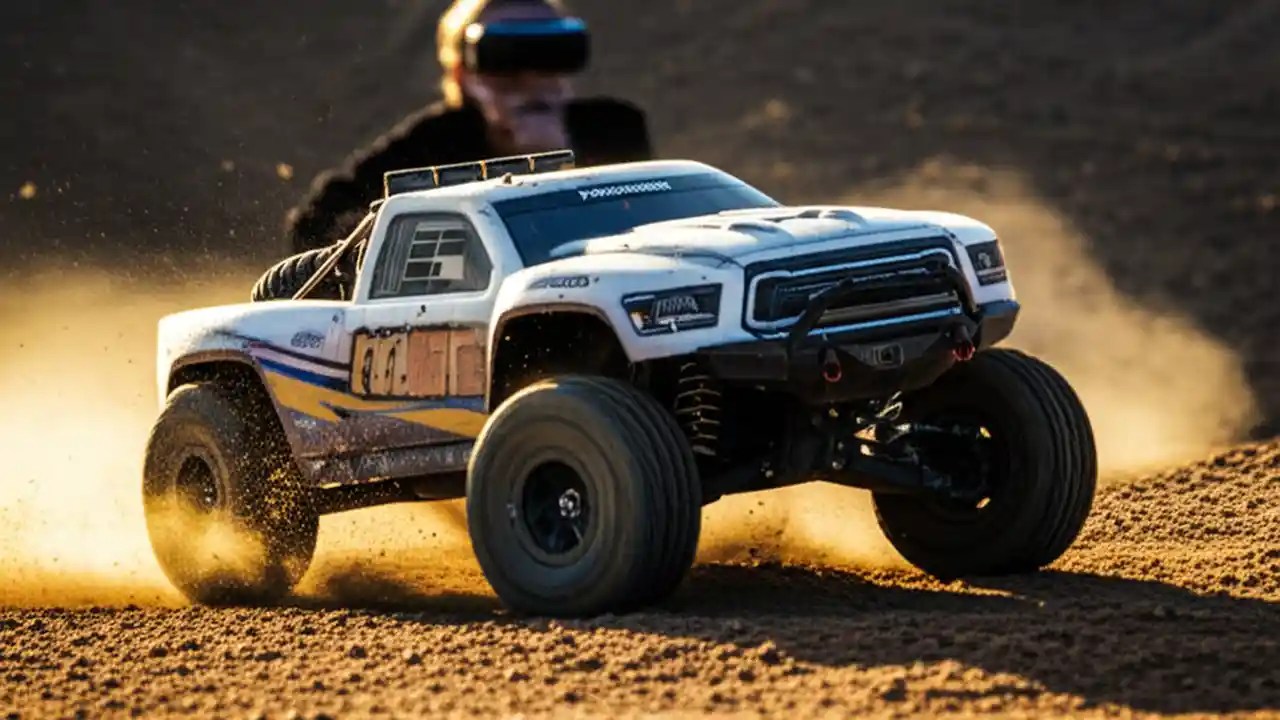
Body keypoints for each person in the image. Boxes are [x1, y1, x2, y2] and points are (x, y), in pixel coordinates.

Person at [252, 0, 655, 301]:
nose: (533, 80)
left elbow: (644, 219)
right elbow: (316, 225)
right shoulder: (433, 142)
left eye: (552, 57)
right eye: (505, 62)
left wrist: (567, 162)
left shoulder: (612, 127)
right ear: (463, 75)